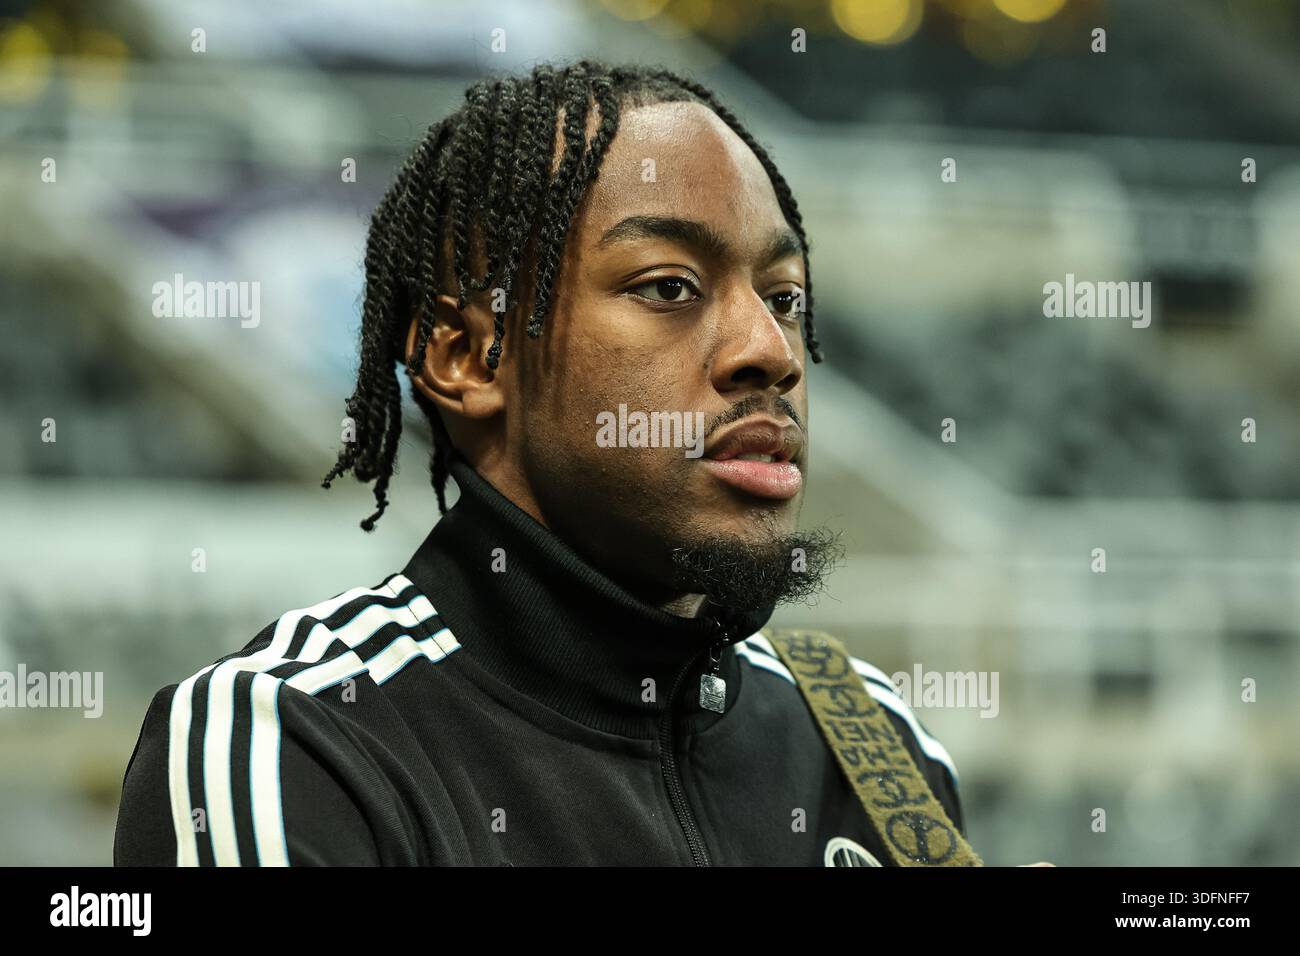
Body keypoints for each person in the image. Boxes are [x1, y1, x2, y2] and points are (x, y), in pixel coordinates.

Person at [113, 59, 973, 866]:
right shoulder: (293, 738)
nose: (771, 350)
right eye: (668, 286)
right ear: (469, 359)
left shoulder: (868, 737)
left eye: (784, 297)